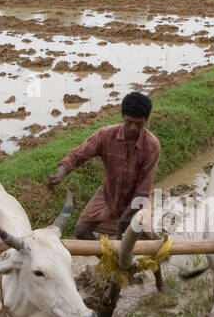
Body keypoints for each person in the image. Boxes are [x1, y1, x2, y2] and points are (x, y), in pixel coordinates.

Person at [47, 92, 159, 240]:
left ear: (146, 121)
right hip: (108, 194)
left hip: (136, 199)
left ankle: (127, 254)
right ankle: (108, 257)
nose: (132, 128)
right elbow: (77, 155)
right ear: (122, 116)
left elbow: (142, 191)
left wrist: (124, 222)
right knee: (81, 231)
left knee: (142, 239)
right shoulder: (105, 135)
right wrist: (60, 174)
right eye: (129, 122)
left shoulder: (151, 146)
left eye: (138, 124)